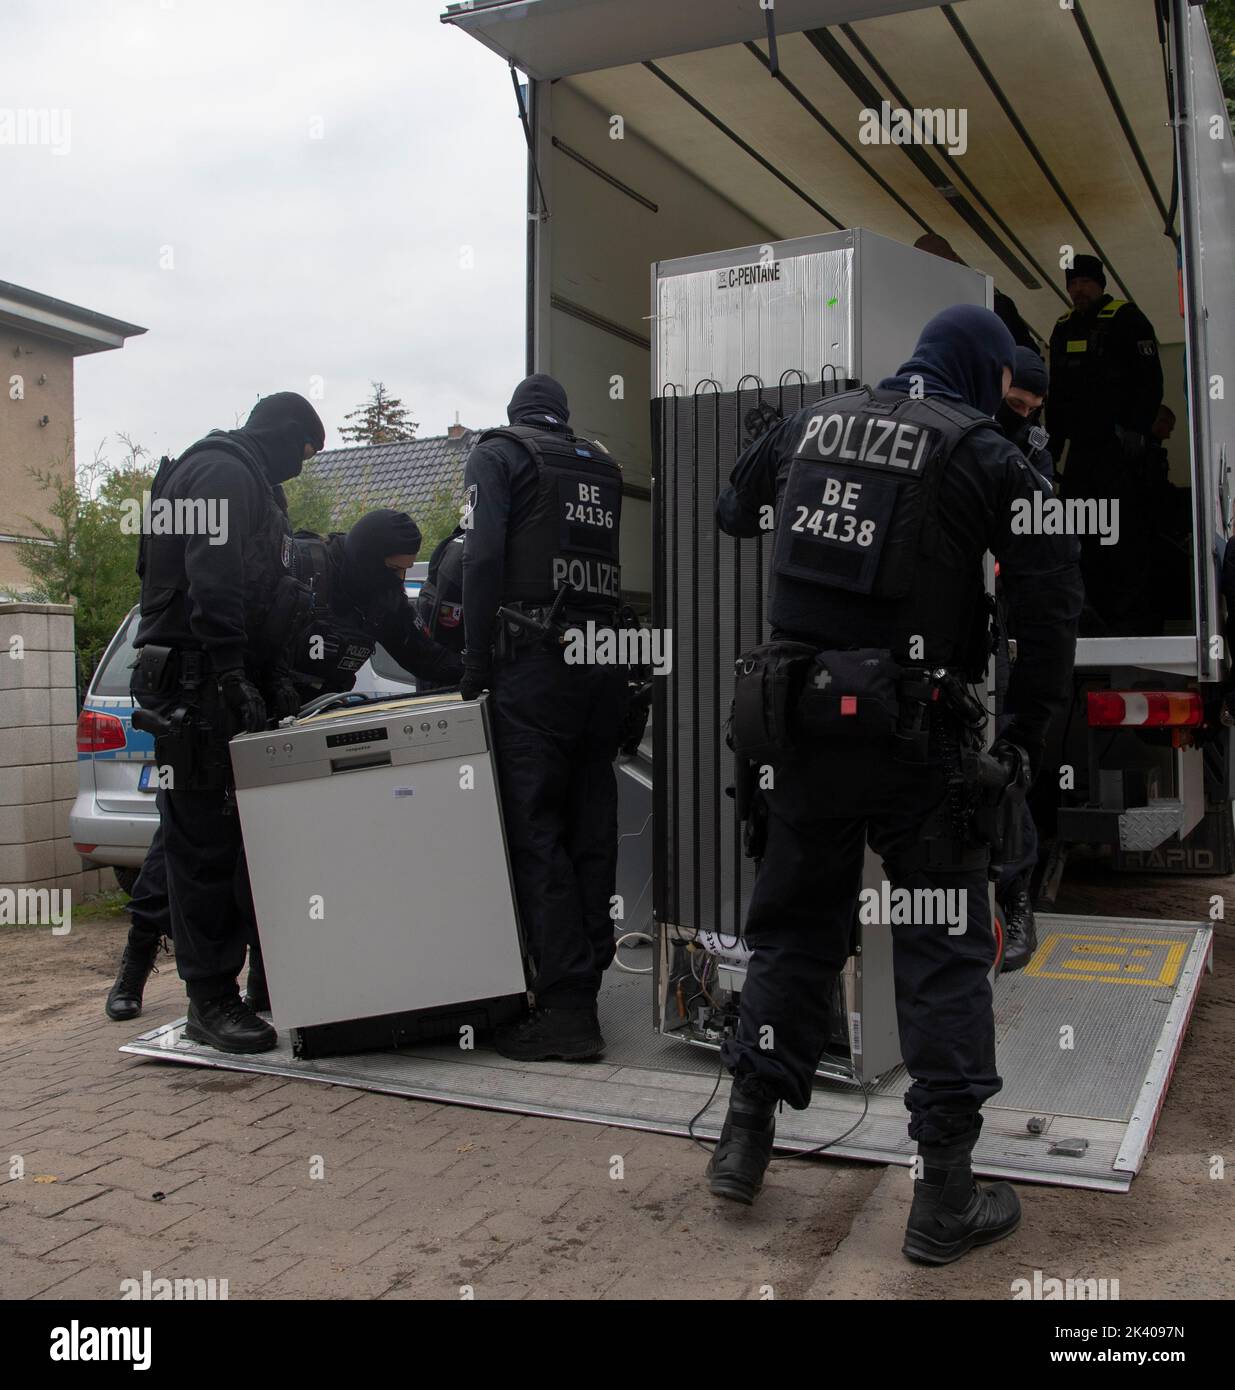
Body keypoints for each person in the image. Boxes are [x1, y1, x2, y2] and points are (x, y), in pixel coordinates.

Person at [708, 306, 1082, 1264]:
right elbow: (1050, 608)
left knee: (791, 929)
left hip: (798, 728)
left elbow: (731, 511)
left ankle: (743, 1140)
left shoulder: (816, 420)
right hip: (923, 743)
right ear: (980, 369)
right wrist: (1025, 738)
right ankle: (943, 1199)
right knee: (939, 949)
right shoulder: (988, 455)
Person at [105, 508, 461, 1021]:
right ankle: (135, 965)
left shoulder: (380, 598)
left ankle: (266, 984)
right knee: (182, 849)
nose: (399, 579)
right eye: (393, 566)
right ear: (366, 556)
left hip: (303, 739)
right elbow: (237, 630)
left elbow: (417, 654)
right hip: (245, 721)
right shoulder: (301, 566)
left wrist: (475, 675)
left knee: (274, 863)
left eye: (405, 569)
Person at [129, 392, 324, 1053]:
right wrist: (232, 670)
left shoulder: (247, 478)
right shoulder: (221, 472)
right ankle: (208, 1001)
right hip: (197, 682)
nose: (300, 467)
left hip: (214, 678)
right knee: (203, 846)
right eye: (303, 452)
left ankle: (242, 989)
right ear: (283, 434)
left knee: (238, 842)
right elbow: (213, 578)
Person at [460, 373, 629, 1062]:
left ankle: (564, 1009)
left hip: (534, 663)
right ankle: (583, 978)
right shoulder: (601, 466)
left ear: (515, 413)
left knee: (536, 829)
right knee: (591, 824)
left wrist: (474, 662)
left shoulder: (497, 455)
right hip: (603, 665)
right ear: (563, 417)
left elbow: (482, 558)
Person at [1047, 254, 1164, 633]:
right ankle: (1086, 612)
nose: (1078, 289)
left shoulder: (1127, 318)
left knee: (1124, 533)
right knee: (1077, 533)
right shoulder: (1063, 328)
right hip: (1081, 453)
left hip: (1118, 451)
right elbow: (1058, 394)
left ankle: (1131, 617)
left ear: (1100, 284)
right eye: (1072, 283)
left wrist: (1137, 430)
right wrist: (1051, 449)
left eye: (1084, 282)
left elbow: (1150, 380)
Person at [993, 346, 1053, 971]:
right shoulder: (960, 426)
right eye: (1013, 405)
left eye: (1030, 410)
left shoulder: (1031, 448)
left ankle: (1017, 904)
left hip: (993, 623)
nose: (1020, 416)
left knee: (1004, 763)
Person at [913, 233, 1038, 350]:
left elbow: (1024, 352)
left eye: (939, 260)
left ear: (955, 258)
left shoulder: (992, 300)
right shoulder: (915, 306)